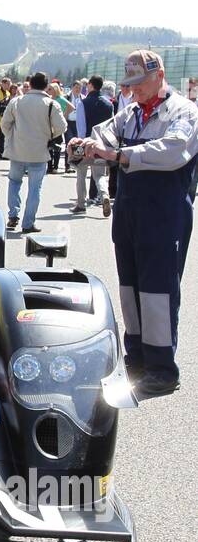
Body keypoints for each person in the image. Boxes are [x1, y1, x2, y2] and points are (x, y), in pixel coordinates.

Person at [70, 50, 198, 400]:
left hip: (164, 212)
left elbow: (173, 150)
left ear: (159, 76)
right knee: (130, 287)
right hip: (129, 210)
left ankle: (162, 368)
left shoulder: (183, 111)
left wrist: (119, 155)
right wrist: (87, 144)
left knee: (158, 291)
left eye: (139, 83)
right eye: (129, 84)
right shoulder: (130, 112)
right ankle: (138, 357)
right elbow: (105, 133)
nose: (133, 90)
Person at [0, 71, 67, 232]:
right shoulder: (51, 104)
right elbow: (62, 127)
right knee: (35, 188)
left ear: (29, 84)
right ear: (46, 86)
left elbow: (5, 124)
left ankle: (13, 215)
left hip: (17, 150)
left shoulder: (17, 101)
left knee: (14, 182)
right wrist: (50, 135)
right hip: (39, 151)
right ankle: (28, 223)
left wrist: (13, 137)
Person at [68, 75, 114, 215]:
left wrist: (80, 142)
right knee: (99, 175)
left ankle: (81, 204)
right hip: (101, 143)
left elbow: (81, 126)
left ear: (90, 85)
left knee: (81, 174)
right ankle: (104, 195)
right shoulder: (109, 104)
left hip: (85, 142)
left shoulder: (83, 103)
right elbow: (111, 125)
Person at [0, 77, 11, 158]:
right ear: (3, 84)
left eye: (9, 84)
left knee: (5, 135)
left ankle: (4, 152)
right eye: (7, 84)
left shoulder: (8, 93)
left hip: (6, 115)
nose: (9, 85)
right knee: (0, 135)